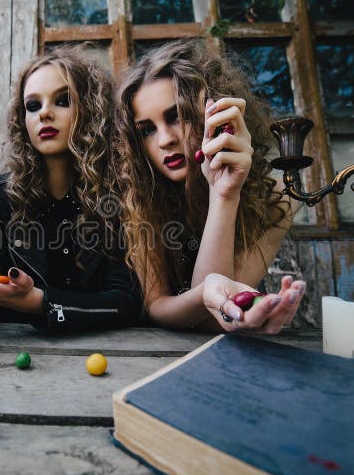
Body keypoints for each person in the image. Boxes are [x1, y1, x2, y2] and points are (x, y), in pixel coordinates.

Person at [0, 45, 142, 331]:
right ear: (22, 119)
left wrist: (41, 303)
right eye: (33, 105)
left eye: (63, 100)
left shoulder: (120, 191)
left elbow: (126, 302)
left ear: (92, 109)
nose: (44, 114)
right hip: (12, 363)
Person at [112, 39, 306, 333]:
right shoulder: (139, 195)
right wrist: (205, 294)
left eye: (176, 116)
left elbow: (213, 320)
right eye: (147, 130)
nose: (165, 140)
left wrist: (224, 193)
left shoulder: (278, 196)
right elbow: (158, 306)